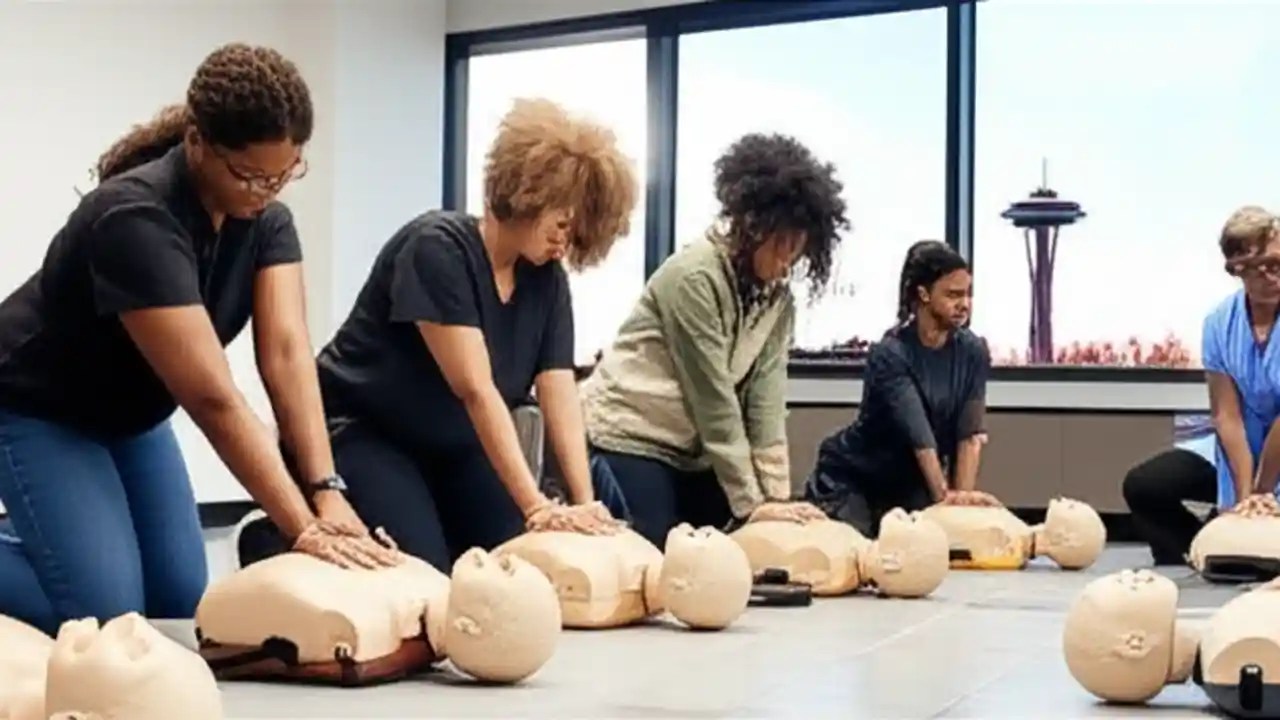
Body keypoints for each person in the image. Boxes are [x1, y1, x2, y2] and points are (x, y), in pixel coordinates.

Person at [0, 44, 398, 636]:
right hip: (38, 407)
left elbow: (287, 356)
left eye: (284, 173)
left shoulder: (267, 222)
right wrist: (302, 529)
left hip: (131, 416)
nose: (266, 190)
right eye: (249, 175)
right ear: (197, 144)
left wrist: (326, 491)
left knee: (178, 599)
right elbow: (213, 397)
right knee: (107, 615)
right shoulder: (133, 218)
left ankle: (52, 533)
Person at [236, 98, 640, 573]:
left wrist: (582, 503)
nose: (563, 242)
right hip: (362, 431)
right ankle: (272, 538)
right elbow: (476, 388)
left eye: (578, 232)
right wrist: (536, 505)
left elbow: (558, 392)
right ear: (526, 193)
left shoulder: (546, 280)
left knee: (511, 565)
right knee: (421, 573)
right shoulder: (437, 248)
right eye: (562, 223)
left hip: (451, 445)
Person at [580, 133, 849, 548]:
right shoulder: (694, 277)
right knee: (656, 547)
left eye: (795, 258)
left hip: (693, 451)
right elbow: (713, 400)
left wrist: (776, 504)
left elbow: (766, 403)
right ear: (753, 226)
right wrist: (751, 506)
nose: (784, 268)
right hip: (631, 434)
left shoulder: (777, 300)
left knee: (734, 538)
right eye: (781, 251)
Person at [1124, 205, 1280, 565]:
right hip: (1236, 448)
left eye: (1278, 264)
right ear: (1237, 268)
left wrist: (1261, 493)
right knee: (1145, 485)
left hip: (1277, 448)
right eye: (1261, 267)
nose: (1272, 276)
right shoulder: (1218, 323)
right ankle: (1203, 552)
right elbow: (1227, 415)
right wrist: (1244, 500)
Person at [804, 241, 991, 537]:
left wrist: (959, 510)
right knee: (857, 551)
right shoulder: (890, 354)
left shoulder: (973, 351)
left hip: (909, 484)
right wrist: (944, 499)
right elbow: (922, 440)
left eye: (968, 294)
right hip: (854, 479)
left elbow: (968, 436)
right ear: (924, 294)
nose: (964, 304)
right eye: (953, 295)